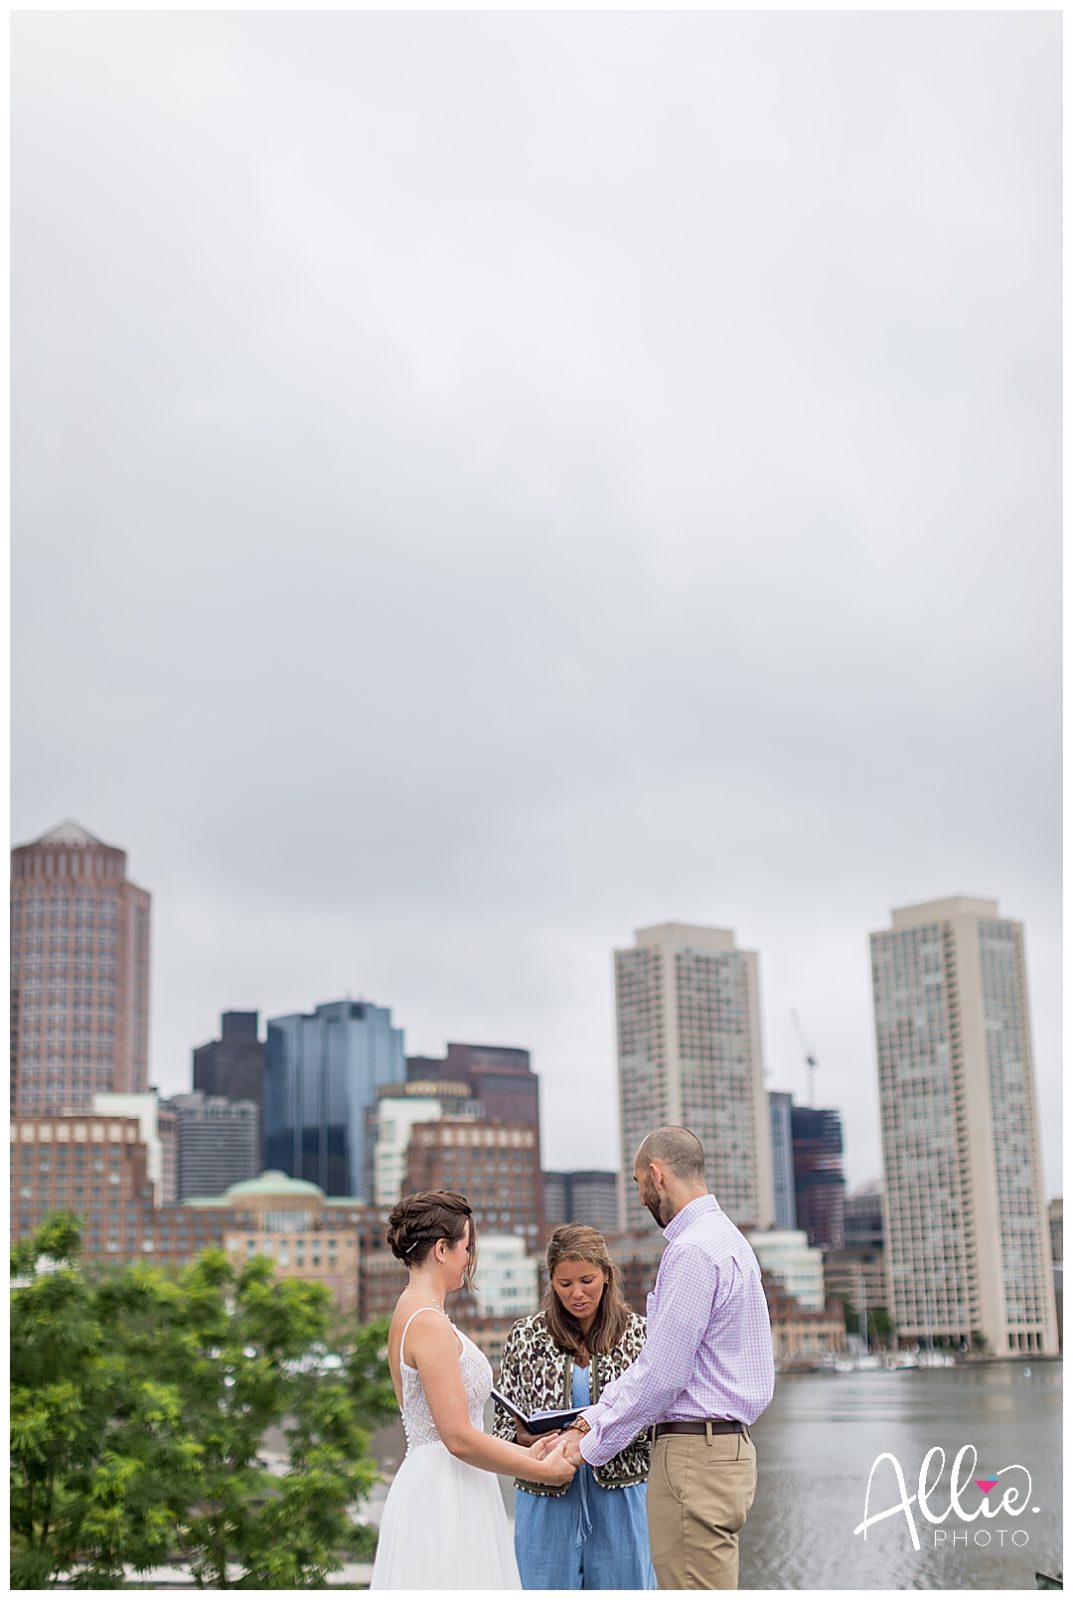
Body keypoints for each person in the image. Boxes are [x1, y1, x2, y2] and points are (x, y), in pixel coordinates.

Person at [559, 1129, 775, 1591]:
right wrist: (590, 1419)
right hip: (729, 1453)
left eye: (639, 1183)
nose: (640, 1198)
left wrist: (590, 1445)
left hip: (694, 1460)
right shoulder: (730, 1241)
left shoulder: (692, 1251)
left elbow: (662, 1375)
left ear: (657, 1176)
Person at [370, 1190, 575, 1591]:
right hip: (444, 1494)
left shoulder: (410, 1310)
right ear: (442, 1249)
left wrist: (525, 1449)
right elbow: (458, 1437)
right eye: (467, 1247)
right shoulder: (427, 1322)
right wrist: (540, 1469)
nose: (470, 1258)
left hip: (448, 1482)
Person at [493, 1224, 656, 1590]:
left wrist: (596, 1433)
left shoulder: (640, 1335)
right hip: (545, 1501)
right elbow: (501, 1429)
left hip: (622, 1500)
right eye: (564, 1284)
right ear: (550, 1281)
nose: (577, 1294)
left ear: (607, 1276)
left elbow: (655, 1421)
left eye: (587, 1280)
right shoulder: (525, 1336)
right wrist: (525, 1438)